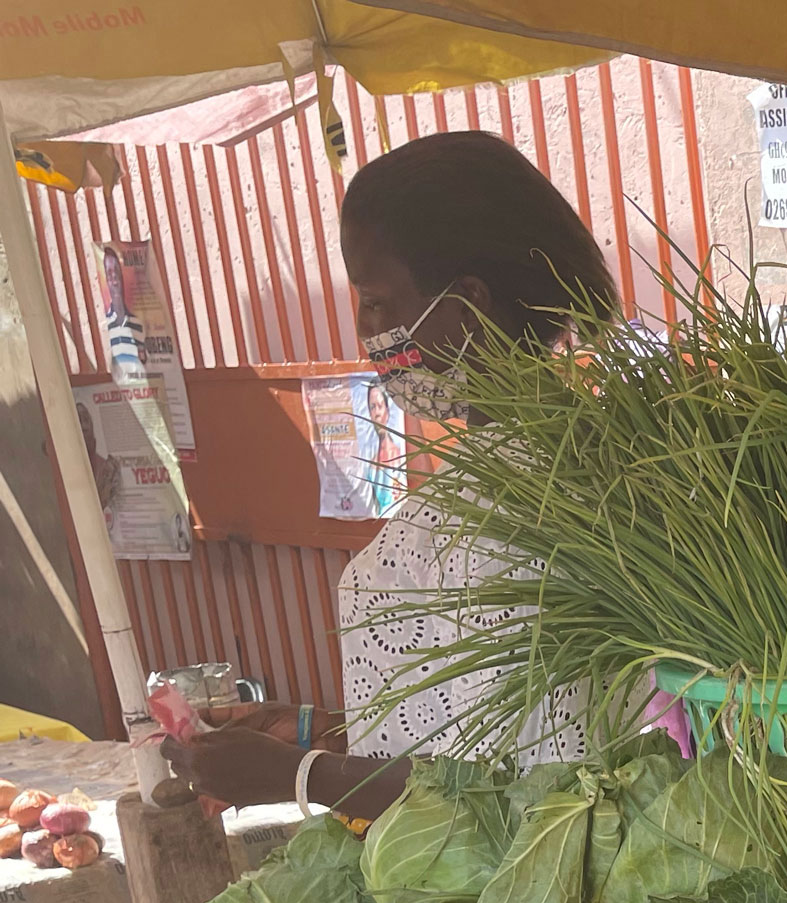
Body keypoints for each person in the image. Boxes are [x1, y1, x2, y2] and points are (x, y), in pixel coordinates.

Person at [164, 131, 615, 820]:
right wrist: (317, 733)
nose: (365, 326)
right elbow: (465, 718)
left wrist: (306, 775)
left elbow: (522, 791)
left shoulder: (540, 505)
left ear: (466, 303)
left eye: (375, 299)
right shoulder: (515, 473)